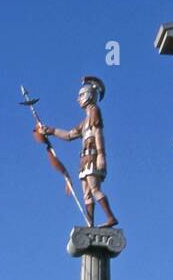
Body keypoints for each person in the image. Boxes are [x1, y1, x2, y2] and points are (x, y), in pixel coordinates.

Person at [36, 76, 118, 228]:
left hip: (93, 155)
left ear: (90, 95)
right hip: (85, 158)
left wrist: (101, 155)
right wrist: (51, 131)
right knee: (87, 193)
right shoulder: (84, 121)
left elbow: (98, 133)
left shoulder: (94, 112)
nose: (78, 99)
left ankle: (110, 217)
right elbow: (69, 135)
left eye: (81, 95)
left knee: (94, 189)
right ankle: (90, 224)